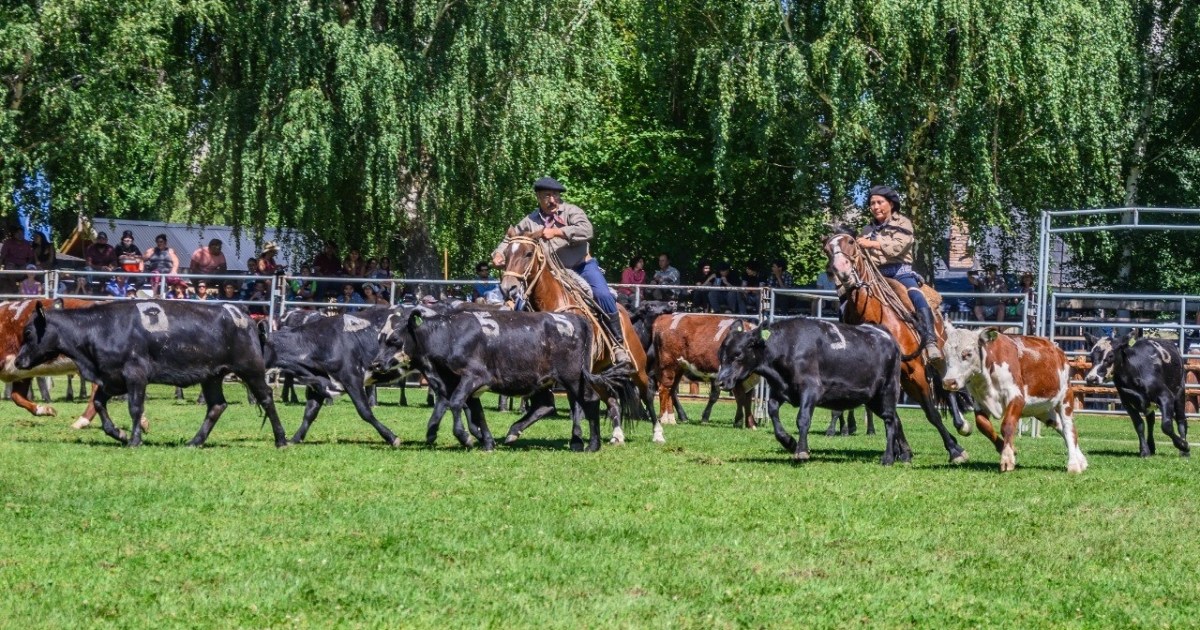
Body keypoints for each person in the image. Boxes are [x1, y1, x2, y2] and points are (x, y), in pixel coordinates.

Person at [491, 176, 630, 365]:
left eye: (555, 195)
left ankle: (617, 344)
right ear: (538, 197)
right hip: (551, 272)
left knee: (603, 295)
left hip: (582, 267)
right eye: (547, 195)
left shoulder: (572, 212)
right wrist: (498, 254)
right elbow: (511, 239)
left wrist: (558, 232)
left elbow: (587, 230)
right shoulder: (530, 220)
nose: (552, 200)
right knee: (520, 303)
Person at [855, 185, 942, 363]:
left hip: (900, 274)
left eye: (880, 202)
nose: (875, 207)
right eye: (872, 203)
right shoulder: (866, 229)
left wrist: (872, 244)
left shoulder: (903, 223)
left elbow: (898, 247)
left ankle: (930, 341)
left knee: (916, 296)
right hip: (876, 276)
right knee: (854, 298)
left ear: (891, 204)